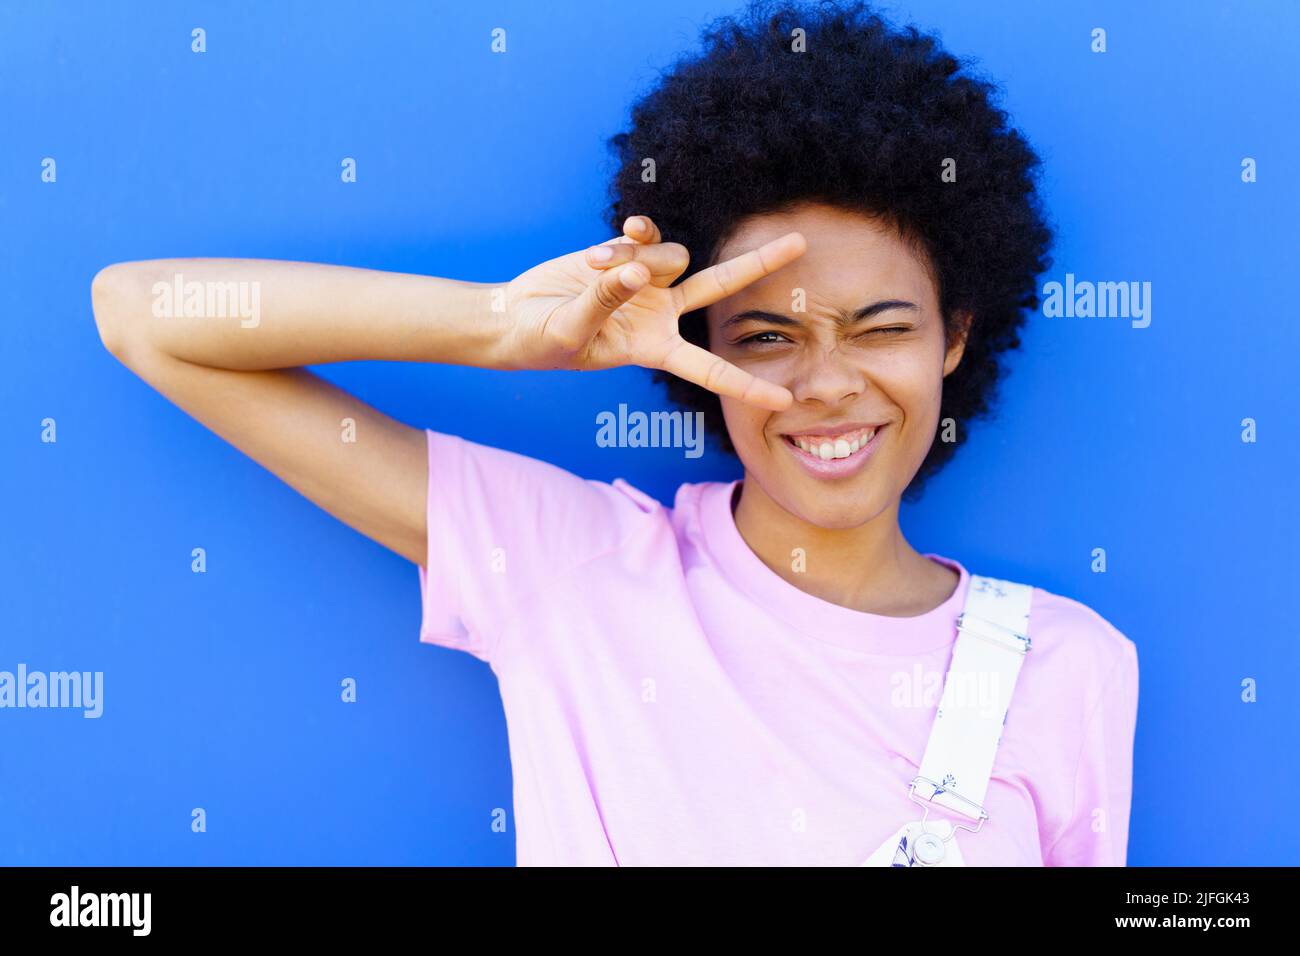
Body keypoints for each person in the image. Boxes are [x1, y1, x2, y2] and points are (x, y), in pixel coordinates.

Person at [89, 0, 1138, 866]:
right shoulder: (569, 567)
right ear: (693, 346)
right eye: (766, 335)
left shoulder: (1068, 664)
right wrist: (496, 325)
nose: (826, 384)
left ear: (956, 336)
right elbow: (143, 315)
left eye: (882, 326)